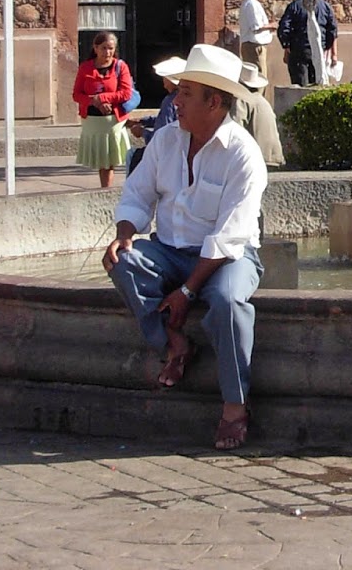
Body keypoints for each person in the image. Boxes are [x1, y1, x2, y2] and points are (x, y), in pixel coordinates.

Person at [103, 44, 268, 451]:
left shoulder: (244, 155)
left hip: (228, 257)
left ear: (214, 102)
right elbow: (137, 195)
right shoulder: (166, 142)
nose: (175, 101)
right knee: (123, 262)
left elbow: (230, 235)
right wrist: (125, 233)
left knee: (229, 302)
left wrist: (188, 291)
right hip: (169, 248)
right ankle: (174, 344)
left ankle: (235, 407)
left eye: (187, 93)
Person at [73, 30, 134, 189]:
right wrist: (93, 101)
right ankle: (104, 188)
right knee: (100, 160)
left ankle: (106, 189)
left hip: (112, 120)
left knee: (109, 160)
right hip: (92, 120)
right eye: (104, 48)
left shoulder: (121, 67)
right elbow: (77, 94)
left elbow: (126, 92)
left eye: (111, 48)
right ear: (95, 48)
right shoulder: (85, 67)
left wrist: (103, 99)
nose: (107, 52)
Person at [125, 55, 184, 175]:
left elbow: (162, 136)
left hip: (167, 157)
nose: (163, 81)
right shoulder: (187, 99)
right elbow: (167, 119)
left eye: (165, 78)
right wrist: (143, 121)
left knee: (132, 156)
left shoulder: (170, 101)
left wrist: (142, 132)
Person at [278, 0, 337, 87]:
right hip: (318, 50)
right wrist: (325, 46)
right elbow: (332, 29)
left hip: (299, 51)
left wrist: (287, 45)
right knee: (317, 84)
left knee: (300, 85)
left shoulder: (295, 6)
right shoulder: (325, 6)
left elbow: (284, 27)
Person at [239, 62, 284, 165]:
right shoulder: (263, 101)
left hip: (257, 159)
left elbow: (235, 131)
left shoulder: (241, 99)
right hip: (275, 157)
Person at [237, 0, 275, 89]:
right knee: (258, 79)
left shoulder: (251, 3)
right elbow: (256, 26)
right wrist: (272, 26)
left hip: (253, 45)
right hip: (254, 46)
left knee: (257, 78)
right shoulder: (252, 4)